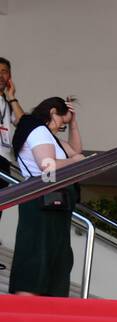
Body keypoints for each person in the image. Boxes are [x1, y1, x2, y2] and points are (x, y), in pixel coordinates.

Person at [8, 96, 83, 297]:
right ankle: (26, 309)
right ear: (52, 113)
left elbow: (76, 151)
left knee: (52, 257)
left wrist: (73, 123)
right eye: (61, 122)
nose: (61, 127)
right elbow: (47, 166)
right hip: (41, 199)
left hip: (52, 201)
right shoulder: (39, 131)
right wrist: (75, 161)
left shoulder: (49, 136)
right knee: (36, 255)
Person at [0, 57, 25, 263]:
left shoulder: (7, 103)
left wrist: (12, 97)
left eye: (5, 71)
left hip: (3, 160)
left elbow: (24, 124)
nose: (1, 75)